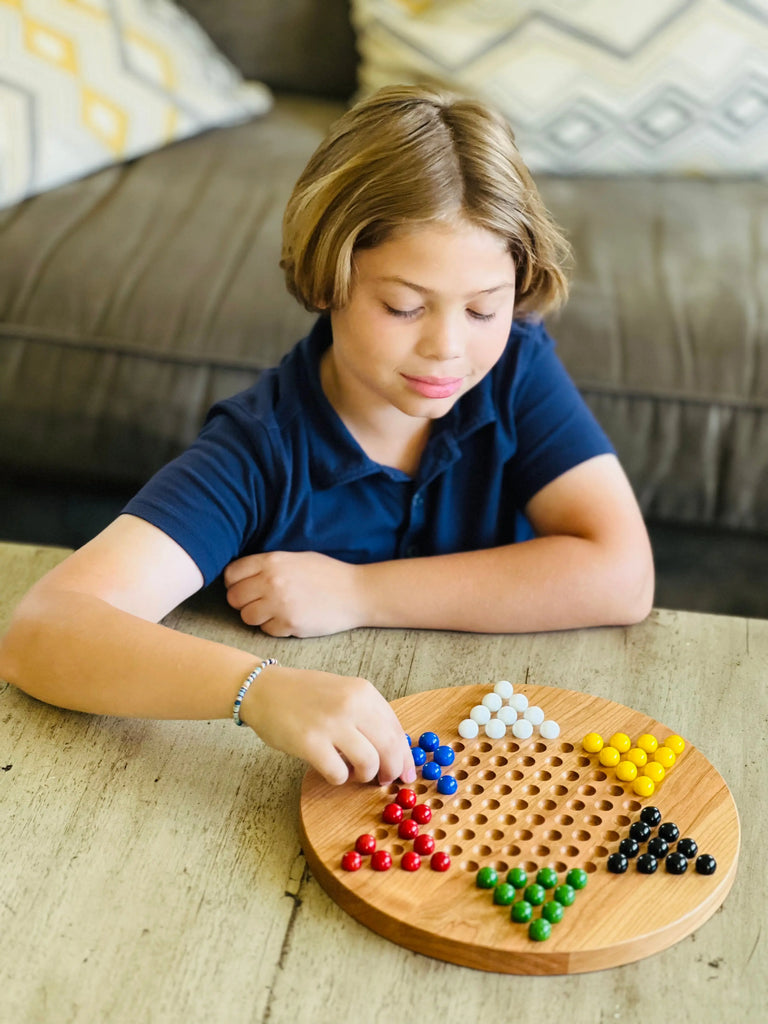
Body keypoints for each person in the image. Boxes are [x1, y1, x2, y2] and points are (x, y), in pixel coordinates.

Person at [0, 85, 653, 787]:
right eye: (404, 307)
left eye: (483, 308)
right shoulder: (259, 448)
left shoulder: (516, 366)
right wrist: (260, 690)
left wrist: (358, 593)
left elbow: (624, 576)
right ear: (327, 279)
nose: (448, 347)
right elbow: (43, 630)